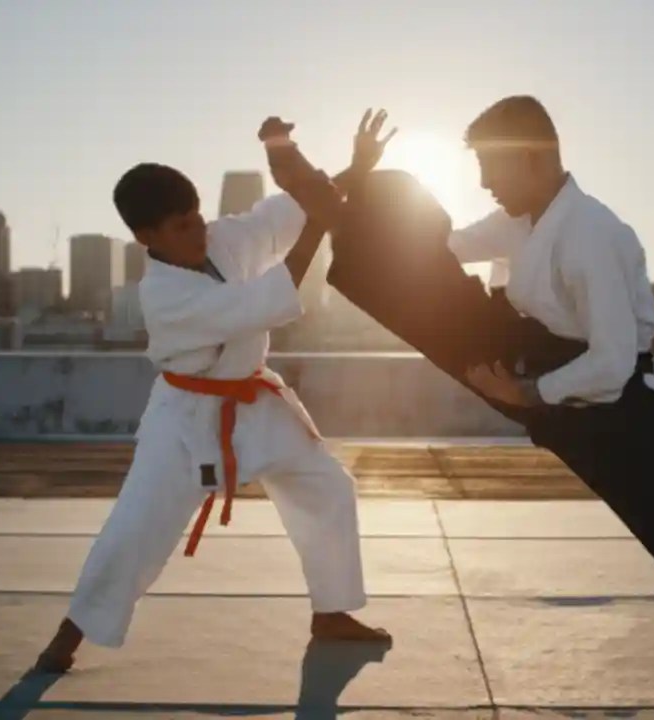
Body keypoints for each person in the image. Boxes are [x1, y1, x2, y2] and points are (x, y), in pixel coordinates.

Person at [315, 97, 654, 720]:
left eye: (491, 168)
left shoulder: (593, 235)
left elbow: (611, 363)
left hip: (620, 410)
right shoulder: (521, 219)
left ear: (534, 157)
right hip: (541, 368)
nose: (483, 185)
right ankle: (349, 207)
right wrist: (360, 180)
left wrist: (524, 396)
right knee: (414, 273)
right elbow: (429, 248)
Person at [34, 114, 395, 674]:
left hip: (255, 400)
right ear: (146, 237)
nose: (199, 230)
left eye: (197, 216)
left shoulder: (226, 238)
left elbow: (303, 203)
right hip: (185, 419)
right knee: (135, 531)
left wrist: (357, 168)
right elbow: (269, 298)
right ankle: (70, 634)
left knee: (326, 488)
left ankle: (331, 611)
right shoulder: (162, 296)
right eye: (181, 226)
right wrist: (323, 225)